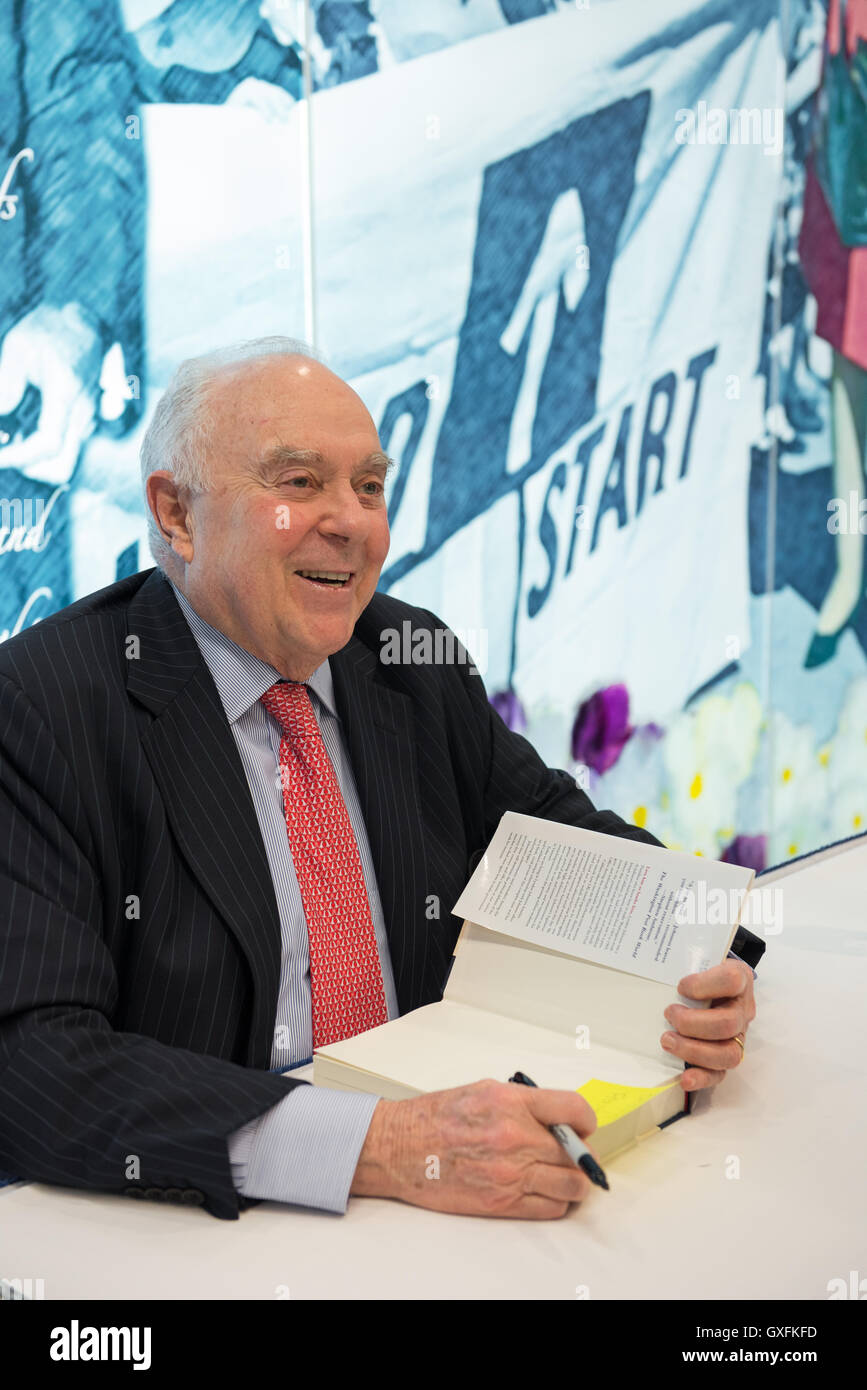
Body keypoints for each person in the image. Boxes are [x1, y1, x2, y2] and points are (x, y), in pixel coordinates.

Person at [0, 337, 762, 1221]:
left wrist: (701, 963)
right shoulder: (42, 709)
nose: (353, 522)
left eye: (368, 485)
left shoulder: (407, 659)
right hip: (209, 1227)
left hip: (460, 1199)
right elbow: (33, 1066)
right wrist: (384, 1145)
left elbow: (569, 839)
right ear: (176, 514)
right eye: (298, 483)